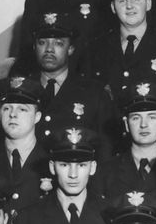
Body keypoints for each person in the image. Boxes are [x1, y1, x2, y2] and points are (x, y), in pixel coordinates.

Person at [17, 10, 115, 165]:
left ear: (71, 49)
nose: (49, 49)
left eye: (58, 43)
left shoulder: (94, 93)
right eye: (42, 42)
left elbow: (106, 152)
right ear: (34, 47)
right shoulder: (21, 90)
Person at [84, 0, 156, 116]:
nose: (129, 6)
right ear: (113, 7)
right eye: (122, 1)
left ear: (148, 4)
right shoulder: (97, 48)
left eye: (136, 0)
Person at [0, 77, 52, 224]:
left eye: (22, 109)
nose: (13, 114)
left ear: (37, 117)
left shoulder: (51, 160)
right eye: (7, 108)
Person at [94, 82, 156, 200]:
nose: (144, 125)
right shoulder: (106, 172)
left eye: (152, 117)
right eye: (136, 118)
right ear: (127, 124)